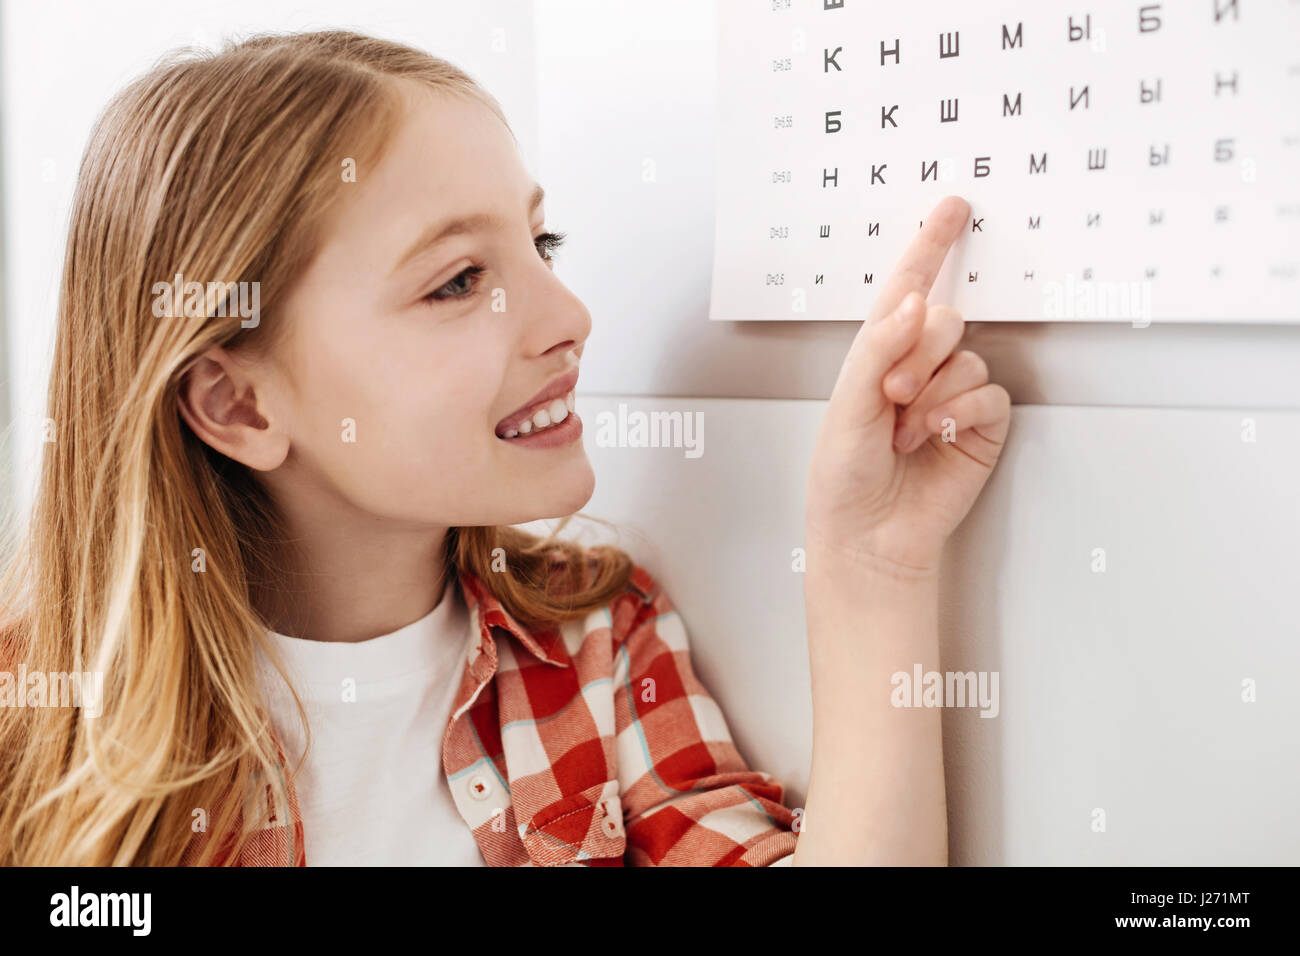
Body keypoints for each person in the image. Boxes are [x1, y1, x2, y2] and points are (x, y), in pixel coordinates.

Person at [0, 30, 1008, 866]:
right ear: (237, 404)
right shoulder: (33, 722)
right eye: (454, 281)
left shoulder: (596, 644)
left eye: (543, 245)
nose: (567, 315)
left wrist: (870, 561)